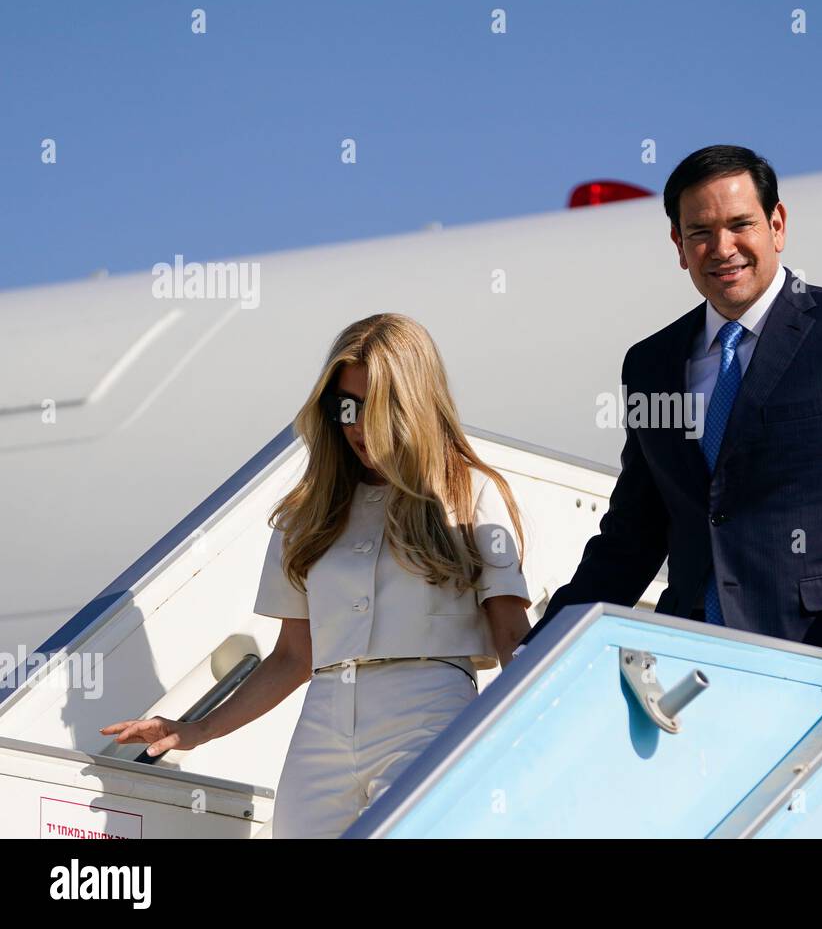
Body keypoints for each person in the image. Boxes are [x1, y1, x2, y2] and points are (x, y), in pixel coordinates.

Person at [518, 144, 822, 661]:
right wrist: (541, 646)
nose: (722, 247)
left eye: (740, 225)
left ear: (777, 224)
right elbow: (633, 534)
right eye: (700, 232)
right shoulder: (651, 364)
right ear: (679, 245)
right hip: (689, 657)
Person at [101, 313, 532, 837]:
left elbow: (512, 633)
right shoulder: (310, 513)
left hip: (430, 707)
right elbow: (292, 656)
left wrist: (535, 729)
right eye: (342, 407)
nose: (354, 425)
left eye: (371, 408)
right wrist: (198, 730)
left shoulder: (471, 491)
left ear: (412, 404)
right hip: (323, 721)